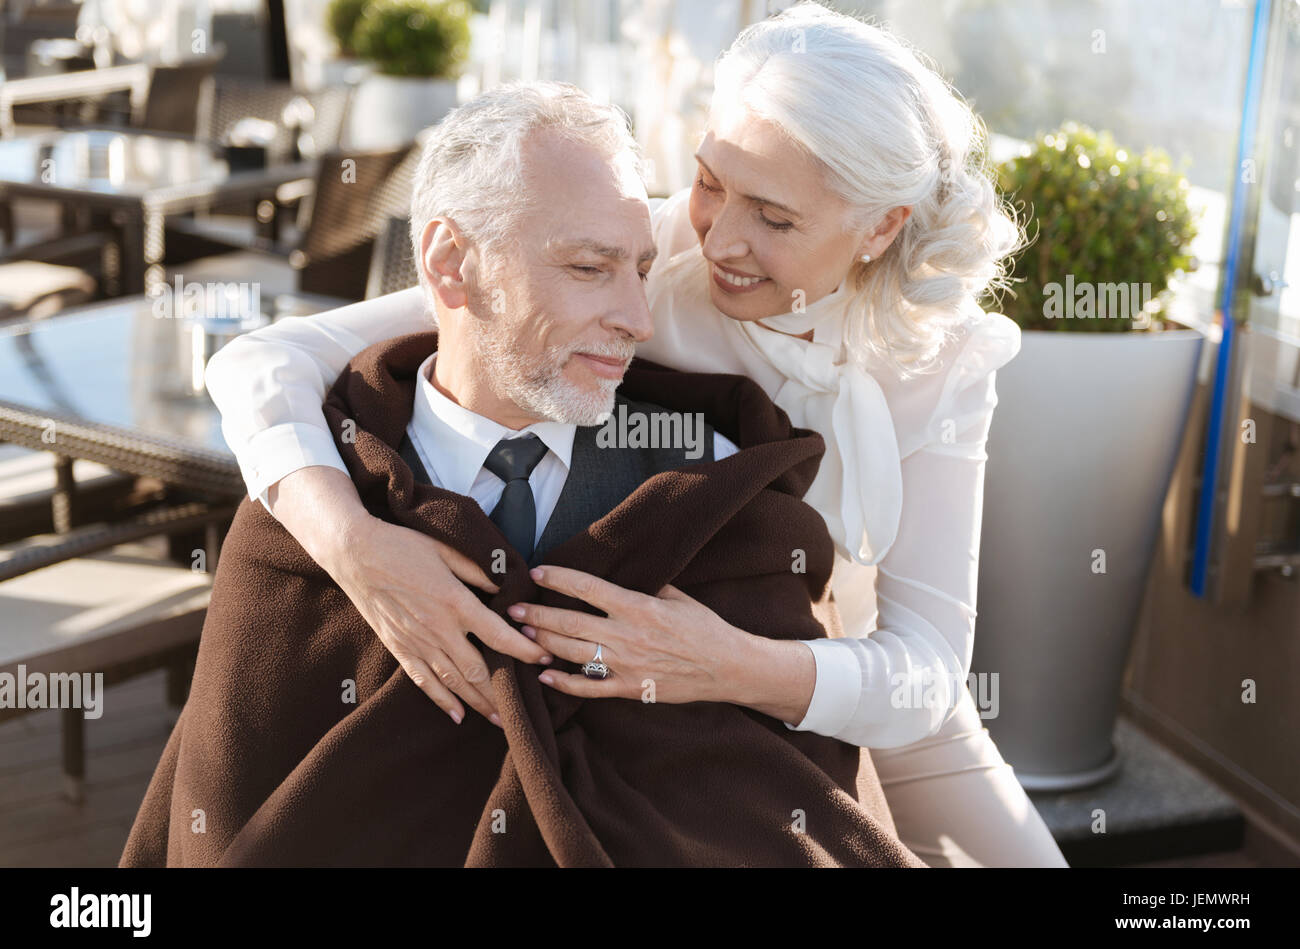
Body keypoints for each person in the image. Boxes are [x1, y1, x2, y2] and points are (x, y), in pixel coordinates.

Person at [203, 2, 1066, 866]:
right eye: (711, 181)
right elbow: (264, 361)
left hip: (872, 676)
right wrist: (353, 543)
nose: (722, 237)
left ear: (880, 226)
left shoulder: (949, 356)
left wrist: (731, 663)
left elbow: (924, 664)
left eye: (774, 217)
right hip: (700, 675)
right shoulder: (646, 252)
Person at [122, 80, 920, 866]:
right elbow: (232, 819)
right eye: (588, 268)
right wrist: (357, 544)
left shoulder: (718, 494)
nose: (638, 319)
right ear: (450, 265)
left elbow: (799, 816)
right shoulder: (309, 506)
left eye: (641, 269)